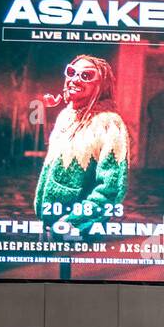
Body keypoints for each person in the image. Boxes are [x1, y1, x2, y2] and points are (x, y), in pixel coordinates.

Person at [34, 55, 130, 237]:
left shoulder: (109, 123)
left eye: (86, 76)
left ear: (102, 85)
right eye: (71, 72)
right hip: (48, 225)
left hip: (78, 230)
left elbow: (111, 188)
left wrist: (73, 222)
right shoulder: (65, 116)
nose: (75, 79)